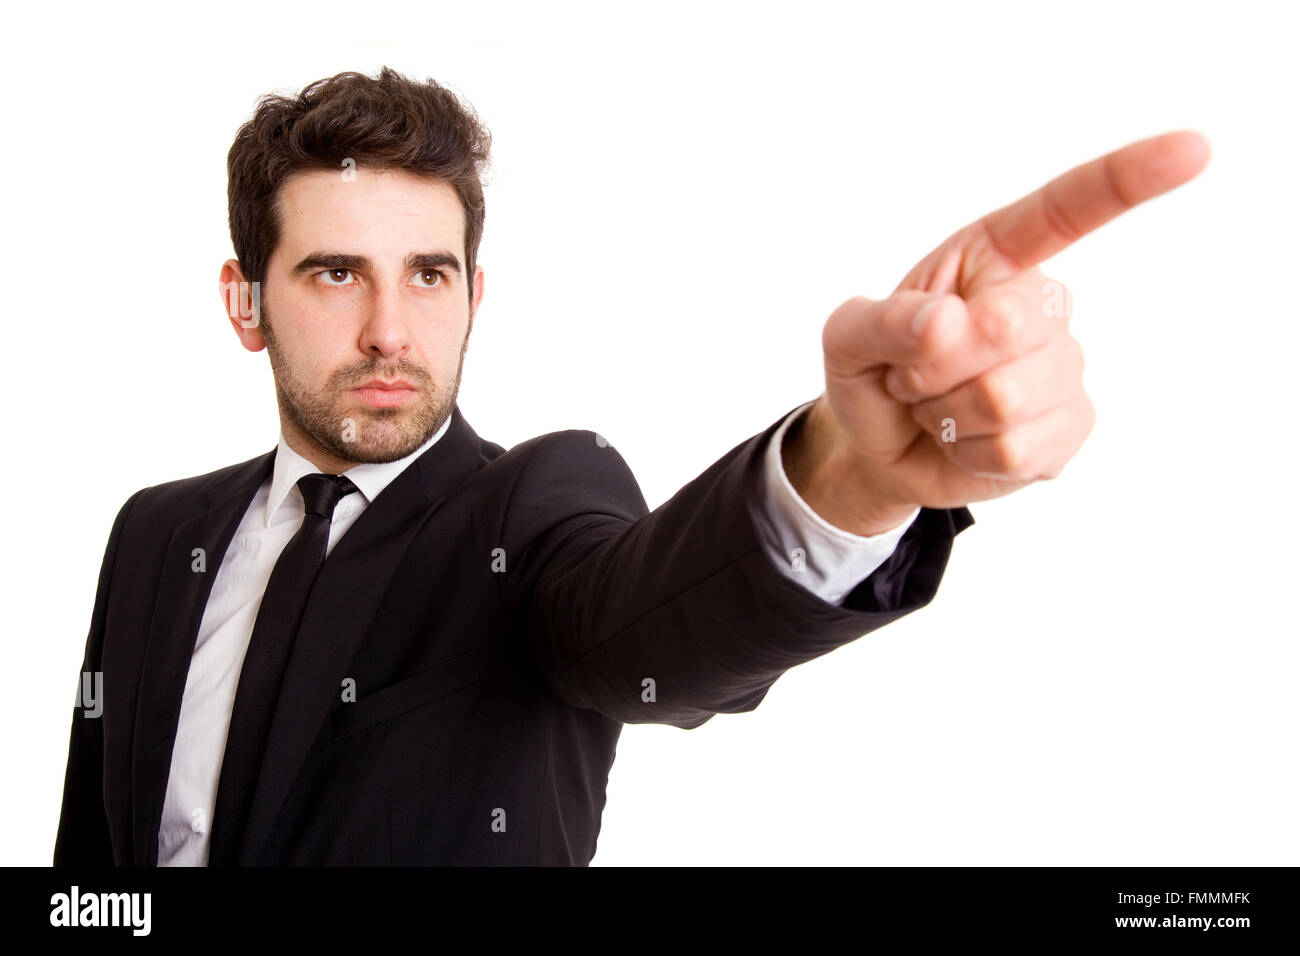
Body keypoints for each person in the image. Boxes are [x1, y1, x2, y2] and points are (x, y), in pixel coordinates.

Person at [52, 66, 1208, 866]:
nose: (392, 332)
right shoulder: (155, 533)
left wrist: (853, 470)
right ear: (245, 300)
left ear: (475, 295)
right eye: (336, 274)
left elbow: (647, 626)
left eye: (431, 274)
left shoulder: (535, 504)